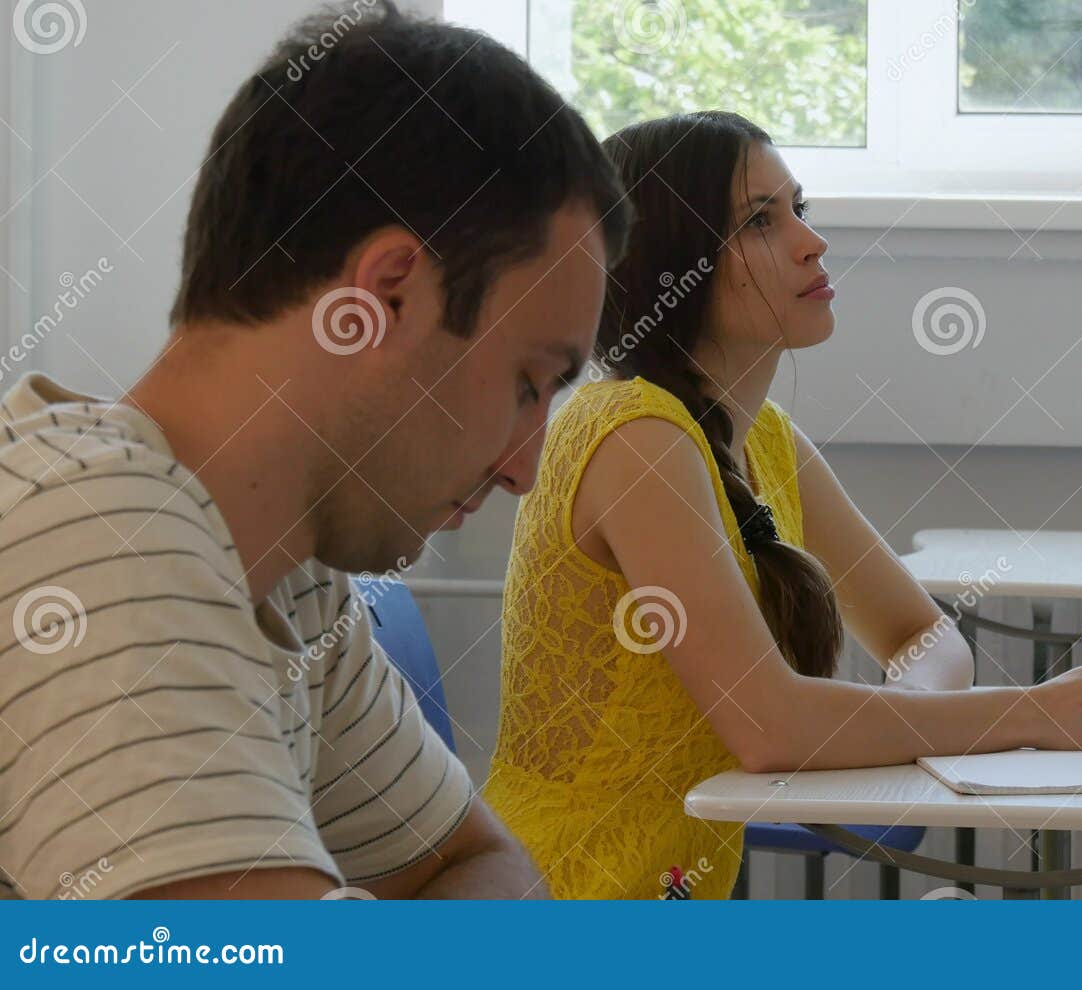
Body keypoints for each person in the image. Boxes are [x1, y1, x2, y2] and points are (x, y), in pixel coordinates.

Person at [0, 1, 630, 899]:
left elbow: (481, 864)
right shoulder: (98, 533)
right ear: (388, 294)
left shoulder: (292, 578)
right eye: (529, 382)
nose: (524, 471)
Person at [484, 111, 1082, 899]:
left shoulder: (766, 438)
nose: (812, 242)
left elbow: (922, 635)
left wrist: (904, 716)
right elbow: (769, 727)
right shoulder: (632, 438)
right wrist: (1033, 713)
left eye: (798, 209)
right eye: (759, 222)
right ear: (675, 261)